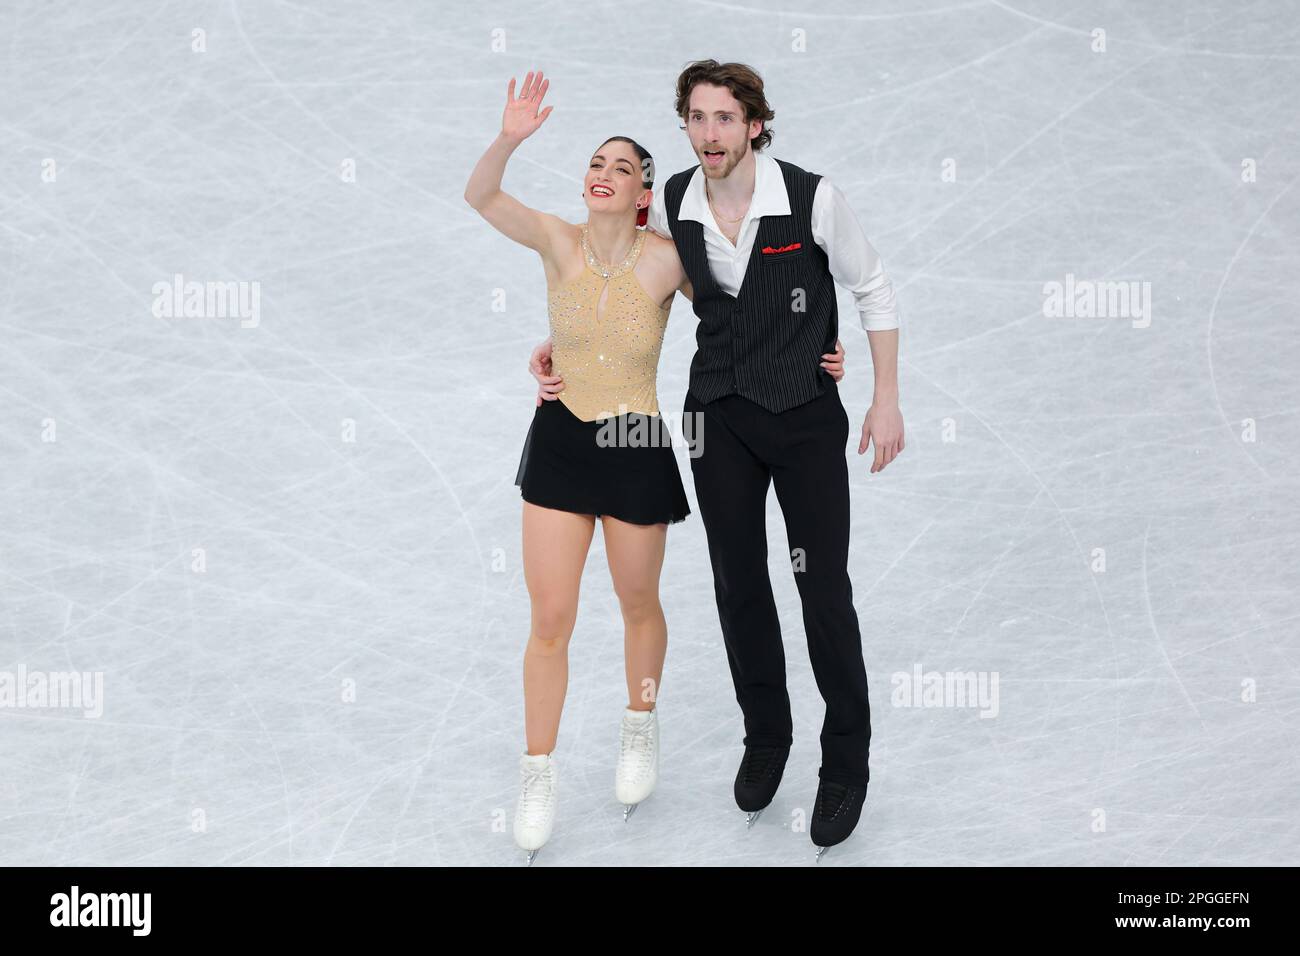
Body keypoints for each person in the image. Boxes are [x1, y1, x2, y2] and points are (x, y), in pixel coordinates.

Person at [464, 70, 846, 864]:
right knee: (550, 619)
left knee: (639, 602)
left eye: (621, 168)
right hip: (563, 439)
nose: (600, 175)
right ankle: (538, 771)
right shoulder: (555, 238)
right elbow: (481, 196)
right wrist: (509, 136)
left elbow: (760, 295)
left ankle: (641, 723)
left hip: (636, 447)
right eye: (594, 164)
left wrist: (820, 351)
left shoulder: (672, 257)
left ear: (644, 195)